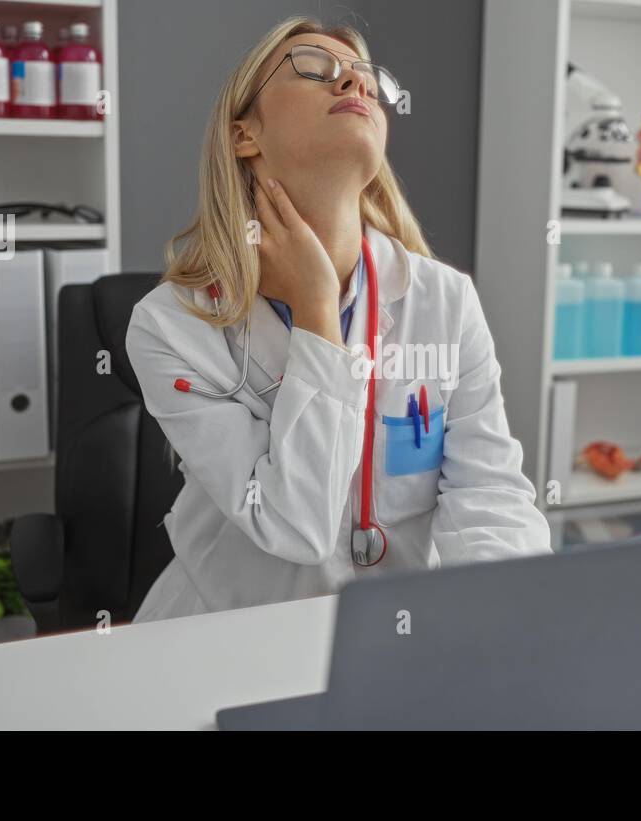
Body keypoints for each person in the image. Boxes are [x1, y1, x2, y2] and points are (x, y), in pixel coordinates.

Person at [126, 16, 550, 621]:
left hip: (404, 635)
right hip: (226, 631)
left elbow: (488, 493)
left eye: (367, 82)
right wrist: (318, 310)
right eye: (315, 70)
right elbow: (295, 524)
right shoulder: (172, 325)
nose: (353, 83)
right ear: (246, 134)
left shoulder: (445, 301)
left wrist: (496, 624)